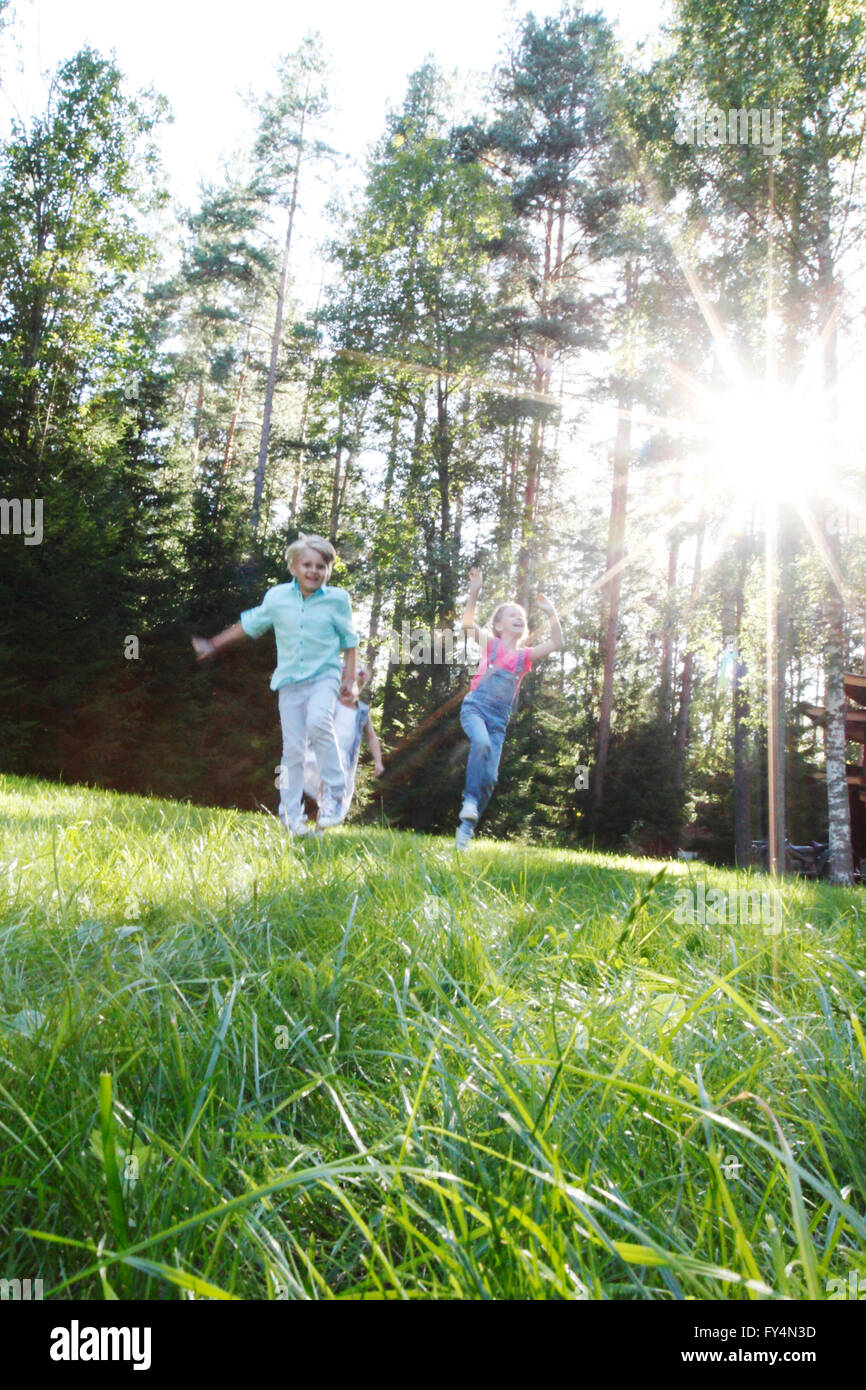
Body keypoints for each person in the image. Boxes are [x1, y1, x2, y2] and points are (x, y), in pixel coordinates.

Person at [191, 534, 358, 834]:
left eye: (321, 566)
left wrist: (350, 679)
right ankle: (292, 817)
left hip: (325, 676)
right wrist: (213, 643)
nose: (314, 571)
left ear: (327, 571)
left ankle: (334, 792)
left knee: (321, 722)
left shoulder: (338, 601)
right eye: (307, 564)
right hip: (290, 683)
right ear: (294, 567)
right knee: (292, 751)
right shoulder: (278, 598)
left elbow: (350, 641)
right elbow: (251, 623)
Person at [456, 566, 563, 850]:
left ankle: (467, 828)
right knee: (480, 744)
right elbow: (467, 625)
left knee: (490, 779)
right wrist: (474, 592)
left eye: (523, 617)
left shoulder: (523, 657)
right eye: (512, 615)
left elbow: (556, 642)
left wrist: (551, 614)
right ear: (499, 626)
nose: (520, 617)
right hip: (475, 710)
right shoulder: (491, 646)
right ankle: (469, 799)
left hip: (498, 722)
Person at [302, 665, 385, 827]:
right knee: (323, 779)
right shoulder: (332, 703)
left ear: (359, 689)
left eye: (353, 686)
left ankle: (321, 828)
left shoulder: (362, 712)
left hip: (344, 759)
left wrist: (378, 761)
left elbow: (372, 738)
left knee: (329, 794)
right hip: (322, 750)